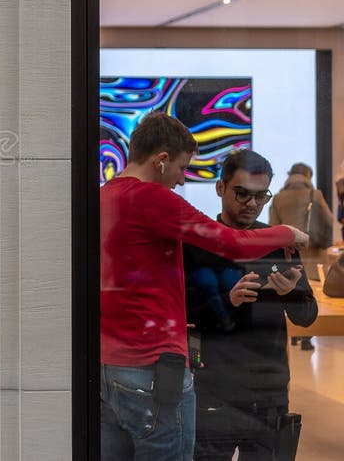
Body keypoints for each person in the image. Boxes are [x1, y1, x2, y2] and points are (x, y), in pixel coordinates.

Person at [101, 113, 309, 461]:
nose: (182, 181)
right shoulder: (152, 199)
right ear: (162, 160)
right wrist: (289, 233)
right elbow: (231, 243)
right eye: (183, 169)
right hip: (154, 368)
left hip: (112, 367)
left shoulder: (105, 196)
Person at [185, 149, 316, 460]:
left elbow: (307, 316)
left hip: (268, 394)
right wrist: (227, 301)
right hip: (213, 394)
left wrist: (291, 294)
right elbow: (184, 316)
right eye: (242, 194)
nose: (252, 204)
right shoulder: (197, 243)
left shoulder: (277, 243)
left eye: (261, 196)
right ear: (221, 188)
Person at [269, 162, 332, 350]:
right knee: (309, 295)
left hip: (288, 256)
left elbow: (273, 227)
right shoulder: (315, 194)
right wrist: (325, 243)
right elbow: (329, 220)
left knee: (290, 290)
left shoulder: (278, 198)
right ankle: (306, 337)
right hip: (313, 255)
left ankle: (294, 335)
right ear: (307, 175)